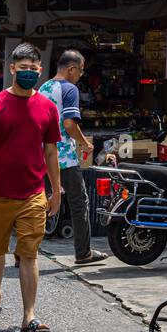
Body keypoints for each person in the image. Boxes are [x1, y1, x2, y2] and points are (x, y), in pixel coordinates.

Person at [0, 42, 62, 332]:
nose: (29, 74)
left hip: (33, 194)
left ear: (40, 70)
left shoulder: (47, 108)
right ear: (12, 69)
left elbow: (50, 152)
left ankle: (29, 316)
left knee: (29, 253)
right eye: (23, 69)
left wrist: (56, 190)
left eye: (34, 70)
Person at [41, 49, 107, 265]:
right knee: (79, 203)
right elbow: (69, 124)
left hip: (43, 155)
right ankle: (83, 252)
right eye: (80, 69)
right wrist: (84, 142)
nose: (81, 74)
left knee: (40, 202)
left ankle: (25, 251)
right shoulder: (69, 89)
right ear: (71, 69)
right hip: (64, 157)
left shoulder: (44, 87)